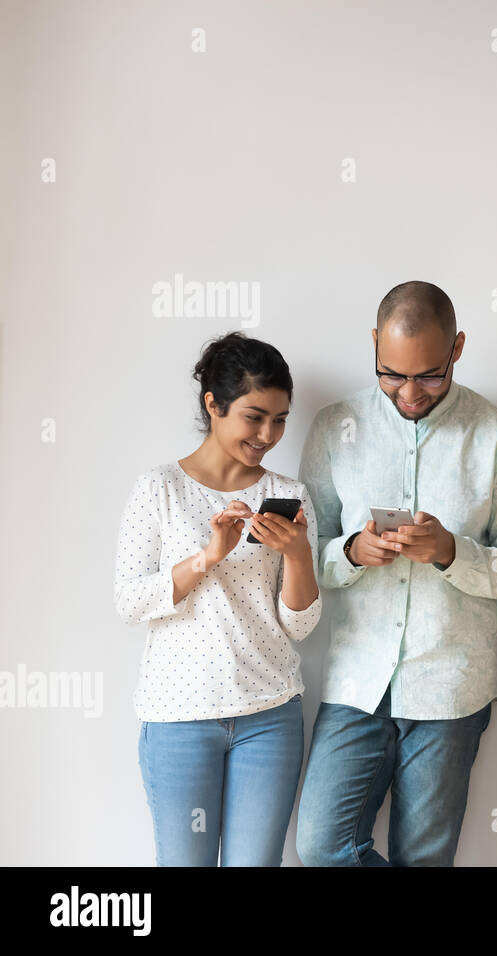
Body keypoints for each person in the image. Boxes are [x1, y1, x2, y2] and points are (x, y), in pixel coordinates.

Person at [295, 280, 497, 867]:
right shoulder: (335, 428)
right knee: (320, 846)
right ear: (374, 344)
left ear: (457, 348)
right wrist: (352, 552)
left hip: (450, 686)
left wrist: (453, 553)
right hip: (357, 680)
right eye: (391, 374)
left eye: (429, 376)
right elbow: (306, 554)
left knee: (423, 858)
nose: (409, 393)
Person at [114, 332, 321, 866]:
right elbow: (131, 602)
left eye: (280, 420)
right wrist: (208, 556)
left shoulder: (292, 496)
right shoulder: (157, 488)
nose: (268, 434)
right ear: (214, 404)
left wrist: (298, 555)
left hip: (270, 717)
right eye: (255, 417)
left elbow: (300, 625)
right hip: (179, 718)